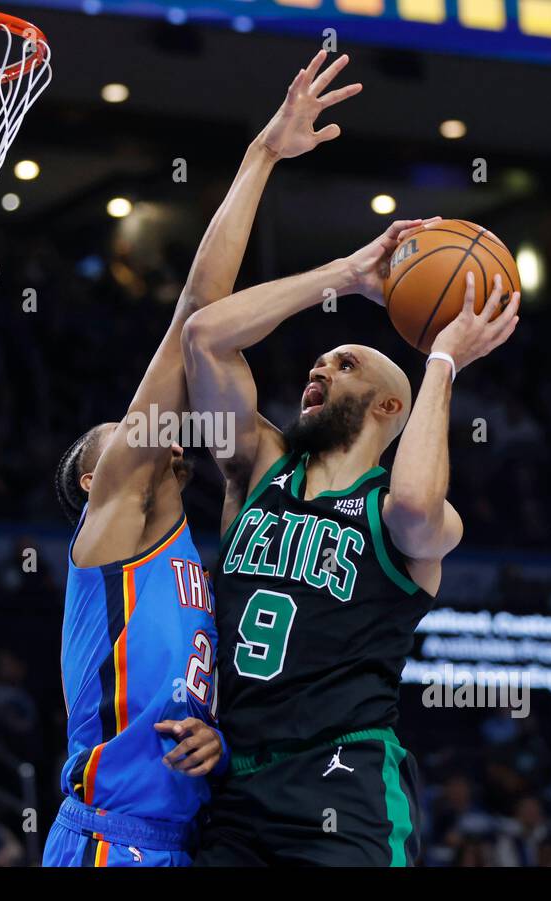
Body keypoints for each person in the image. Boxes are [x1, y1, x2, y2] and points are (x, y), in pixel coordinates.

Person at [44, 51, 361, 868]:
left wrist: (214, 745)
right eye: (114, 428)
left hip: (183, 839)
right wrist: (262, 155)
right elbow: (196, 314)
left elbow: (194, 689)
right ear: (92, 477)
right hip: (110, 838)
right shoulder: (112, 524)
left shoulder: (192, 548)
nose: (138, 426)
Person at [182, 211, 519, 865]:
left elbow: (420, 501)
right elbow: (203, 336)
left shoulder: (395, 516)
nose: (322, 367)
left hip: (344, 787)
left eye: (345, 364)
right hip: (235, 788)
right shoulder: (259, 468)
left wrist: (442, 361)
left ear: (390, 406)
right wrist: (345, 274)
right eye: (318, 361)